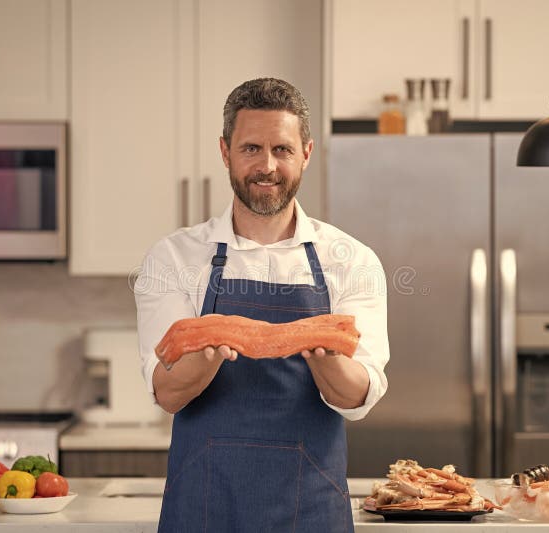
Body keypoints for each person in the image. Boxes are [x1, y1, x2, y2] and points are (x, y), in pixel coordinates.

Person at [135, 78, 389, 532]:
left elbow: (357, 397)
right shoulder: (174, 258)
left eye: (282, 150)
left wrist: (324, 356)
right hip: (204, 508)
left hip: (310, 510)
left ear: (306, 153)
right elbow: (168, 392)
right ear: (225, 151)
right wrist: (209, 353)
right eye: (251, 148)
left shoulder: (351, 260)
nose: (267, 166)